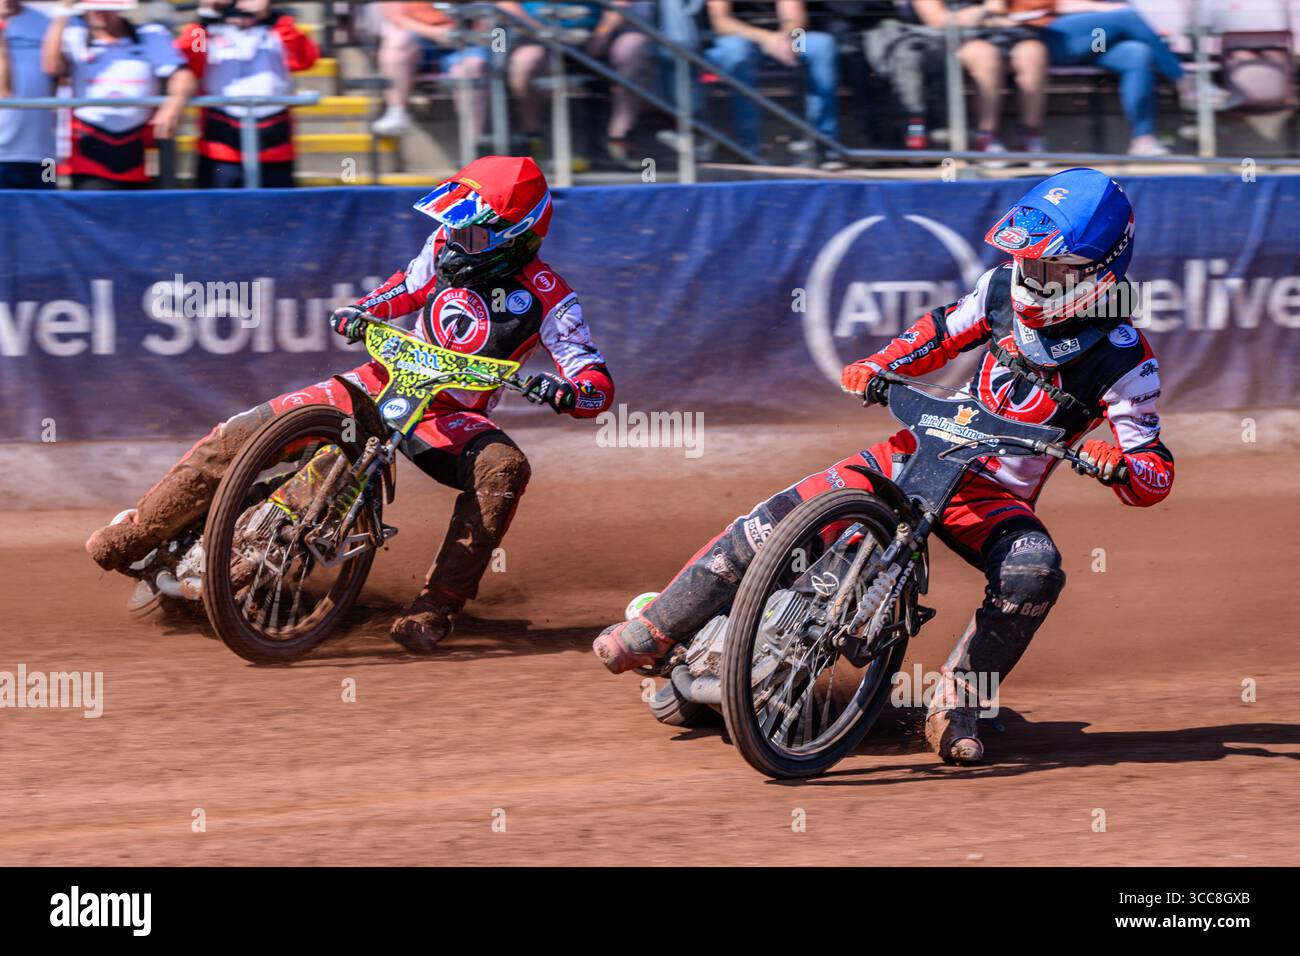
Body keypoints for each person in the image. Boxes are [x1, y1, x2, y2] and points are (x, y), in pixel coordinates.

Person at [593, 167, 1174, 765]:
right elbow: (943, 331)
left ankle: (957, 701)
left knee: (1035, 571)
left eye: (1050, 270)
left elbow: (1154, 470)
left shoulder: (1127, 358)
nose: (1031, 279)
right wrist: (880, 363)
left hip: (994, 493)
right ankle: (655, 628)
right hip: (918, 450)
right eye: (1028, 263)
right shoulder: (1002, 290)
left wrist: (1120, 469)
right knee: (779, 519)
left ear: (1099, 273)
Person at [86, 156, 615, 653]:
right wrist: (360, 311)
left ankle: (437, 605)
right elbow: (404, 290)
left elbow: (593, 377)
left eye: (471, 231)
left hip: (449, 413)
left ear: (515, 239)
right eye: (452, 224)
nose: (454, 239)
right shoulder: (442, 245)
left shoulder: (551, 297)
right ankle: (139, 534)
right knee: (249, 429)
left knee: (505, 468)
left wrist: (568, 391)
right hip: (379, 378)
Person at [1023, 0, 1230, 157]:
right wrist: (1102, 10)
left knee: (1137, 53)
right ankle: (1186, 84)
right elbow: (1053, 5)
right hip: (1050, 38)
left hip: (1095, 39)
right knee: (1127, 15)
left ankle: (1143, 138)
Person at [41, 0, 194, 189]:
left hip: (139, 146)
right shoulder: (75, 37)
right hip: (89, 145)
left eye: (106, 6)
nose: (100, 12)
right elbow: (51, 68)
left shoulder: (150, 36)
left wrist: (174, 105)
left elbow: (183, 75)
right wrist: (62, 13)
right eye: (94, 7)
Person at [175, 0, 319, 188]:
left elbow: (305, 59)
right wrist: (204, 17)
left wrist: (270, 16)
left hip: (273, 143)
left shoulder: (278, 29)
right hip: (221, 145)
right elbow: (187, 59)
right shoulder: (206, 33)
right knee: (216, 209)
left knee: (276, 210)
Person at [499, 1, 651, 169]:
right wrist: (539, 30)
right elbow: (504, 4)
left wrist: (603, 32)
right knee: (525, 62)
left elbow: (620, 4)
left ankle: (619, 138)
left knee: (633, 46)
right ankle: (532, 139)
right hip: (535, 35)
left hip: (596, 34)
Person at [703, 0, 839, 158]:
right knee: (735, 53)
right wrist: (766, 38)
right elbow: (721, 23)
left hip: (785, 39)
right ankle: (748, 148)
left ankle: (824, 146)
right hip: (742, 39)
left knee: (822, 45)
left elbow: (797, 18)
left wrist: (785, 38)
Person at [912, 0, 1049, 156]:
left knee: (1033, 52)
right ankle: (987, 135)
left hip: (997, 36)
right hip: (947, 42)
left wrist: (996, 19)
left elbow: (1001, 12)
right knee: (985, 55)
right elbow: (936, 21)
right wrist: (984, 10)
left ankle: (1030, 135)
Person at [370, 2, 489, 145]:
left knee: (472, 68)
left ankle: (474, 145)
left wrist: (468, 34)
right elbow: (396, 18)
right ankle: (397, 112)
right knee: (397, 40)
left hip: (467, 40)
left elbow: (490, 16)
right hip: (420, 38)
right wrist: (436, 33)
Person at [0, 0, 56, 188]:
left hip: (44, 156)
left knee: (48, 213)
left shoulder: (46, 21)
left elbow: (58, 74)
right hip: (3, 154)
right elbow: (5, 90)